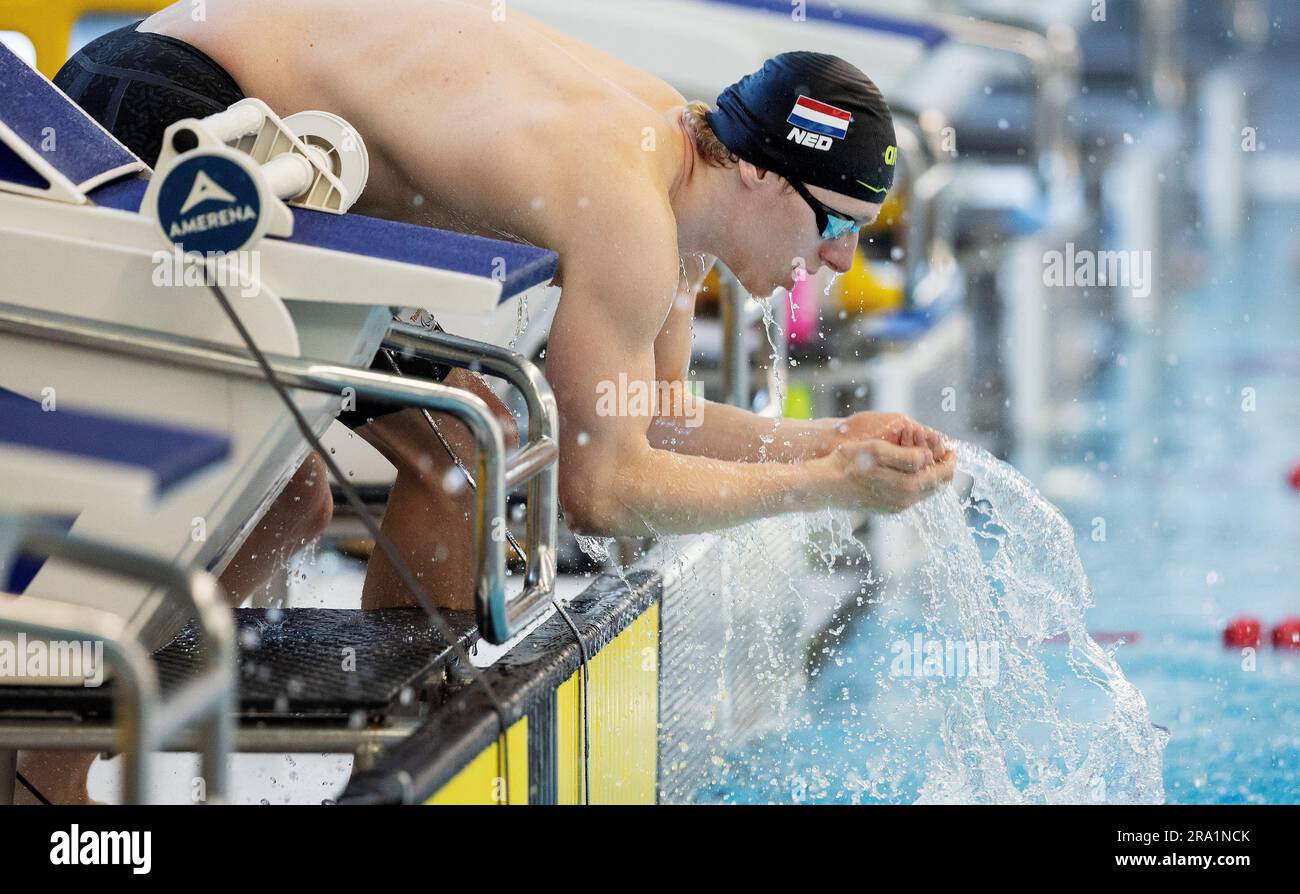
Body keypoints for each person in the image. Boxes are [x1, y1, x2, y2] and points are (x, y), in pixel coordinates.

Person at [22, 0, 955, 803]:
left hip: (271, 140)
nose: (839, 261)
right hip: (169, 119)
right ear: (761, 170)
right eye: (837, 224)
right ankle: (46, 766)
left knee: (458, 460)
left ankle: (373, 772)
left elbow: (655, 414)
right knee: (277, 494)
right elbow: (606, 488)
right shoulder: (631, 208)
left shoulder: (686, 181)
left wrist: (834, 439)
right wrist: (833, 484)